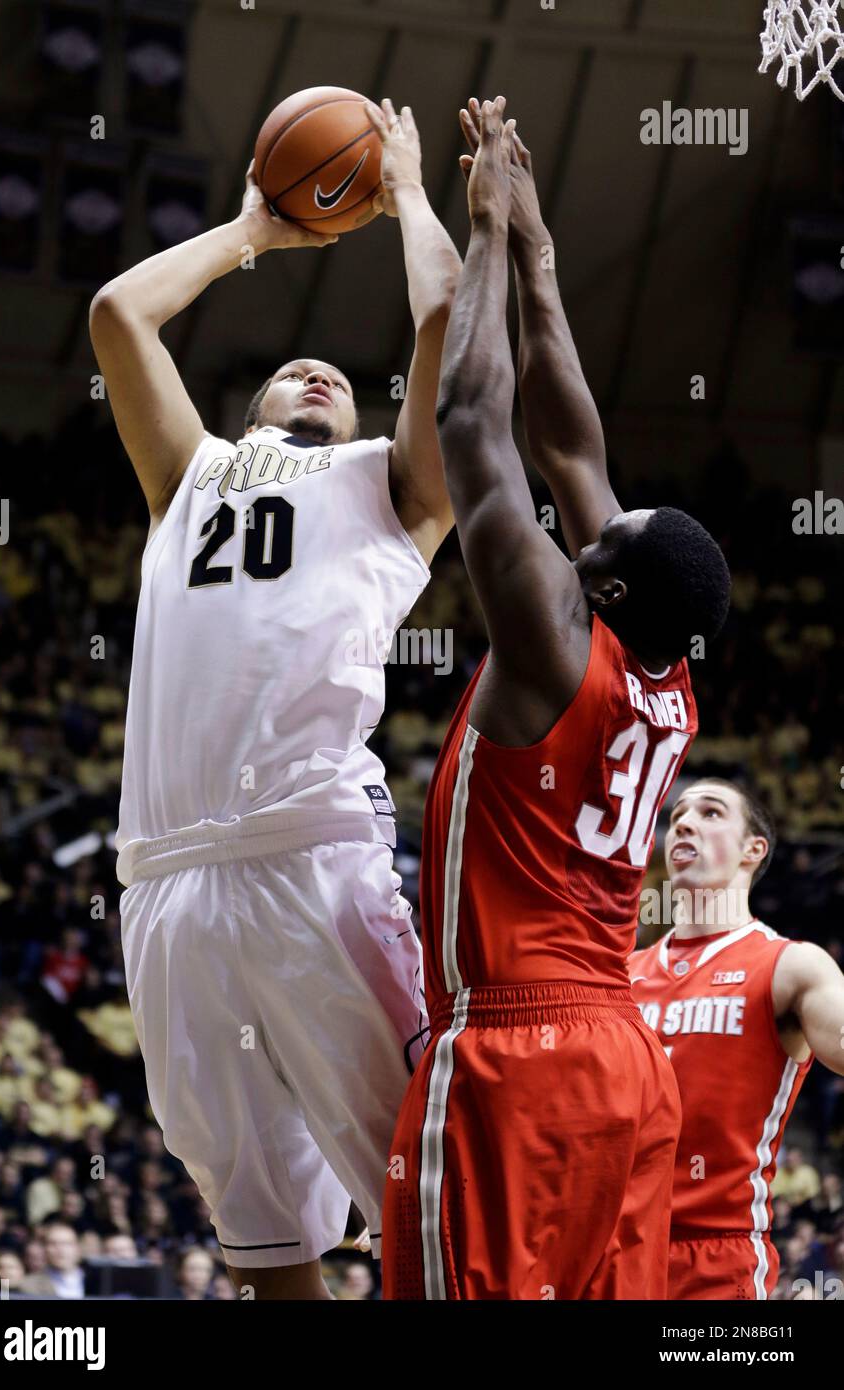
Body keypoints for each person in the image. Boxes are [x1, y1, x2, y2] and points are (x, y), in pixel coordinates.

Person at [89, 99, 459, 1300]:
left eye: (340, 378)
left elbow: (450, 328)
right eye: (295, 367)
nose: (315, 369)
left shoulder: (390, 488)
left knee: (434, 1195)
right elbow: (118, 314)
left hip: (312, 859)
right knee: (268, 1258)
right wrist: (254, 230)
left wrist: (405, 192)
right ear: (249, 409)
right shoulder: (187, 475)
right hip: (164, 881)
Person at [382, 98, 731, 1300]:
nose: (591, 518)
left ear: (609, 581)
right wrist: (540, 257)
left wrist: (483, 229)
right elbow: (574, 455)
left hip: (512, 1049)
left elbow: (477, 421)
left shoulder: (548, 647)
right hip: (622, 1062)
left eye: (603, 538)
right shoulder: (664, 673)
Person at [630, 778, 844, 1299]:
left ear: (754, 849)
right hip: (611, 1246)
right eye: (678, 813)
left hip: (714, 1255)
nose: (683, 822)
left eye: (710, 812)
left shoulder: (791, 965)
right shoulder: (620, 973)